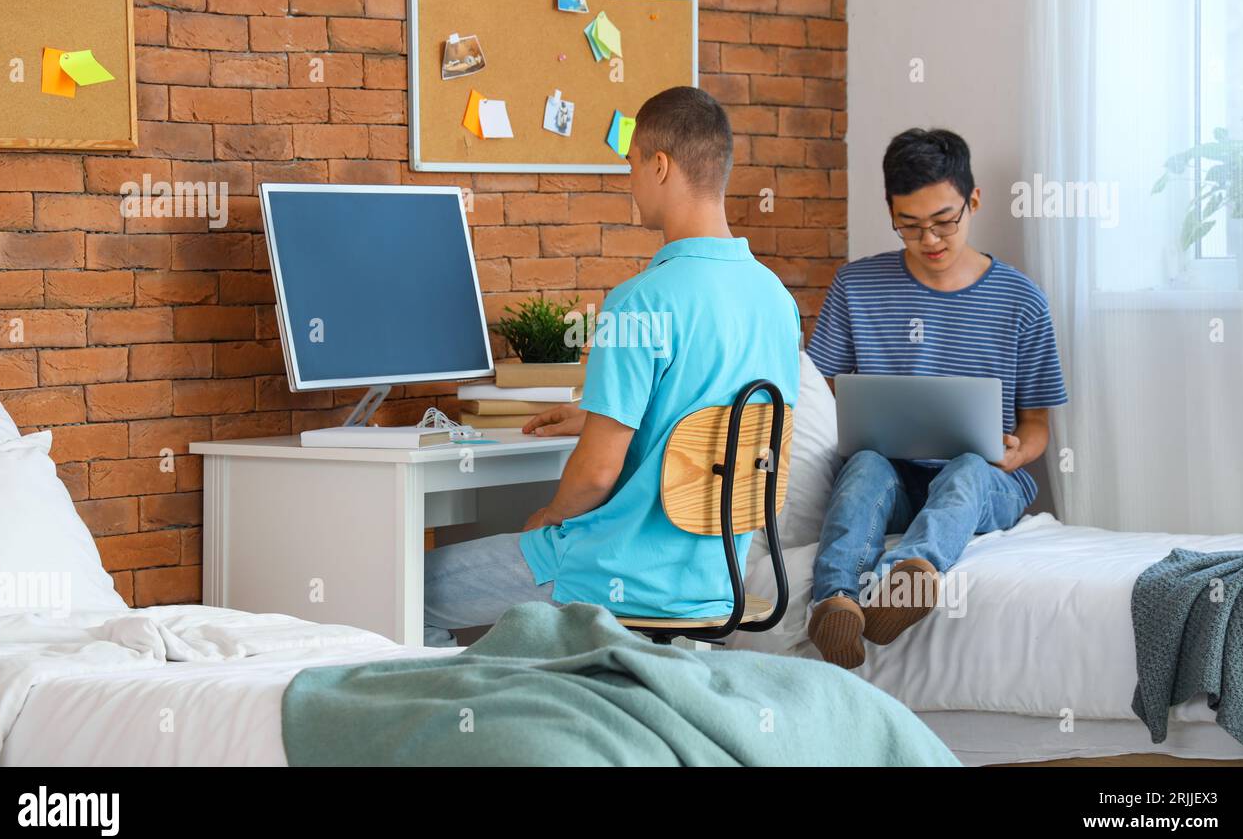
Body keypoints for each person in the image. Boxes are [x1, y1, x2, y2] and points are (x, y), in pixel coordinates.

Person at [424, 87, 802, 646]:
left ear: (659, 165)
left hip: (614, 574)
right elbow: (713, 418)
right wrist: (603, 415)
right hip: (714, 582)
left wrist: (549, 515)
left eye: (630, 164)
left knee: (410, 588)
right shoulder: (776, 299)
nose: (630, 182)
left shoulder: (641, 301)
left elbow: (598, 475)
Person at [805, 128, 1068, 668]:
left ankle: (912, 578)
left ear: (973, 201)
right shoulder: (856, 286)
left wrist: (1016, 453)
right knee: (865, 465)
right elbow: (812, 387)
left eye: (944, 221)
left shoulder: (1022, 300)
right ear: (891, 213)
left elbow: (1037, 421)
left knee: (968, 468)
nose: (930, 240)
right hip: (894, 479)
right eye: (911, 226)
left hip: (987, 480)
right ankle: (836, 603)